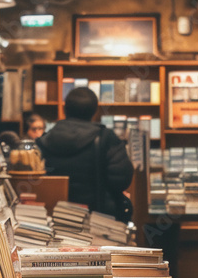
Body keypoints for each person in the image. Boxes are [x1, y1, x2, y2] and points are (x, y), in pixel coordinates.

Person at [36, 87, 133, 219]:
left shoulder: (44, 140)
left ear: (65, 109)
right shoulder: (105, 138)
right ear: (94, 111)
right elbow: (122, 180)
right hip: (97, 218)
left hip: (53, 217)